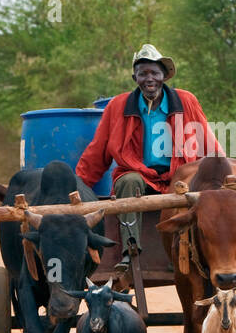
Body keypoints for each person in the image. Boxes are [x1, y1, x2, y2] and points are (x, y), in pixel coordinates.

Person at [76, 44, 220, 267]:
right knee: (127, 180)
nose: (149, 79)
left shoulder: (185, 101)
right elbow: (97, 153)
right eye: (143, 73)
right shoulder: (118, 106)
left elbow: (208, 142)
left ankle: (185, 249)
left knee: (188, 185)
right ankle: (130, 249)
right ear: (135, 77)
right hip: (138, 176)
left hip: (178, 175)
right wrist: (78, 187)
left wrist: (223, 173)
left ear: (164, 76)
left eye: (154, 73)